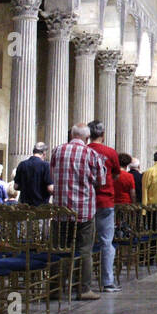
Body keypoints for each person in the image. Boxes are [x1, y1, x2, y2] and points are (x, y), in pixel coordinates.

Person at [52, 124, 105, 299]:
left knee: (60, 248)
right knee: (84, 250)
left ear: (72, 134)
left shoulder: (57, 151)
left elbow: (52, 174)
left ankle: (56, 288)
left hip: (61, 209)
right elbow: (100, 180)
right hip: (84, 209)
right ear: (87, 138)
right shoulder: (91, 154)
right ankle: (83, 289)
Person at [87, 121, 122, 293]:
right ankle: (107, 281)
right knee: (106, 243)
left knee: (82, 243)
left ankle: (80, 282)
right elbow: (116, 174)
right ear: (103, 134)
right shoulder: (109, 152)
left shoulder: (84, 151)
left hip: (85, 202)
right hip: (105, 201)